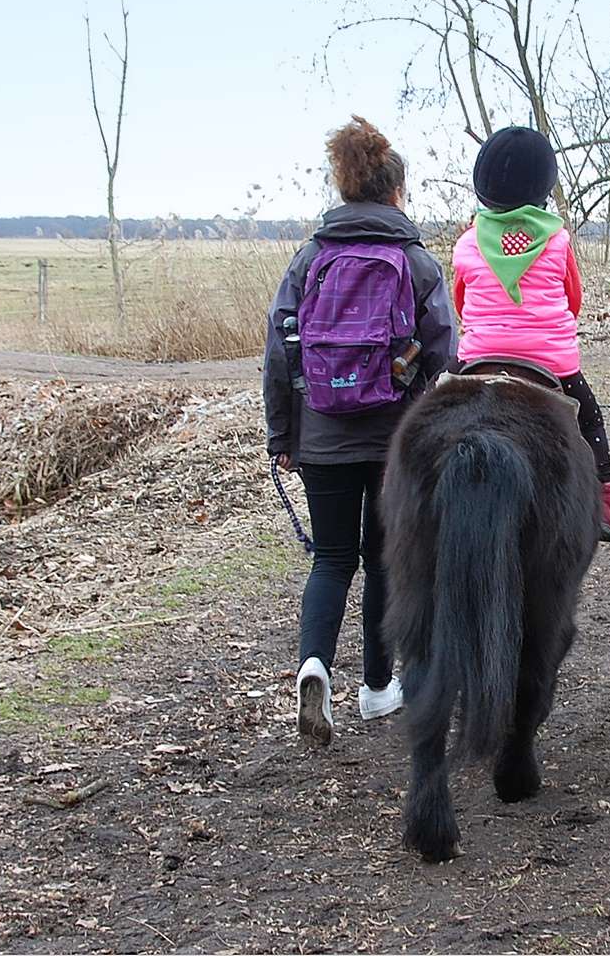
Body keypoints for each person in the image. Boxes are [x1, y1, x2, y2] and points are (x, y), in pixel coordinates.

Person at [263, 115, 456, 746]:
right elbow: (444, 350)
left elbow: (279, 349)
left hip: (320, 435)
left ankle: (314, 663)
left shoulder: (310, 258)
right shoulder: (415, 260)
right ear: (398, 192)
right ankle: (377, 689)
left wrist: (283, 437)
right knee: (382, 562)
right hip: (393, 440)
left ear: (344, 187)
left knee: (332, 558)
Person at [451, 126, 610, 542]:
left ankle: (393, 478)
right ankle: (605, 501)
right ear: (543, 187)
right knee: (590, 415)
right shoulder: (557, 240)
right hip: (551, 362)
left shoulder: (468, 242)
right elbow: (574, 299)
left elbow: (460, 301)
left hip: (478, 353)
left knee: (425, 410)